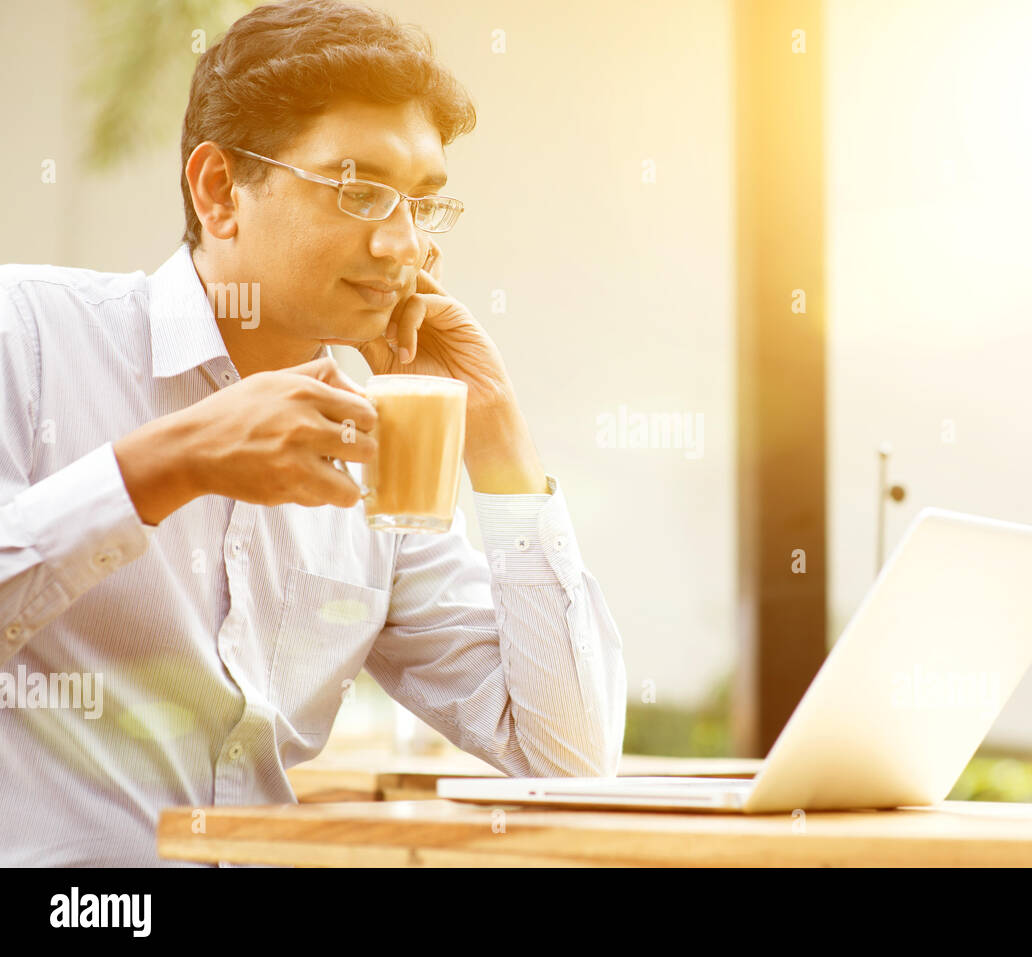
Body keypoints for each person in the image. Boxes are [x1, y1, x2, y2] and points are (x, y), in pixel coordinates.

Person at [0, 0, 626, 866]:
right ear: (219, 190)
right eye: (359, 190)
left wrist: (498, 438)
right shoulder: (24, 336)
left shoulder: (384, 456)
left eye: (422, 204)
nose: (401, 244)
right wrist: (167, 463)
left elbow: (569, 763)